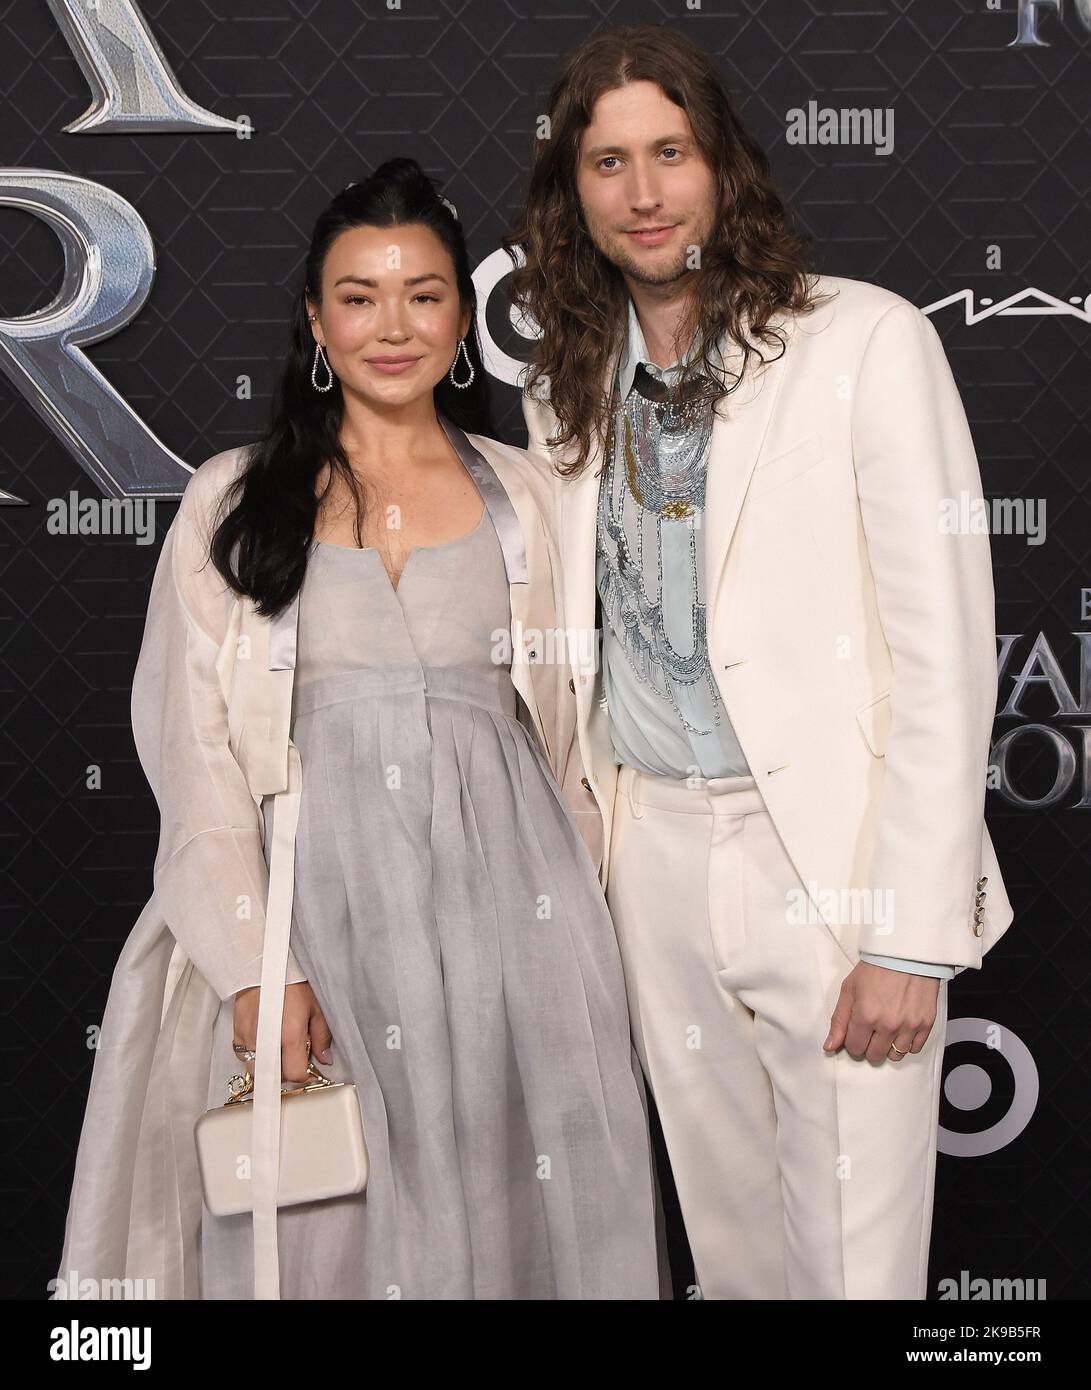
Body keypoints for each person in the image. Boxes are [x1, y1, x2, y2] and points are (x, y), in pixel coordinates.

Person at [52, 158, 661, 1301]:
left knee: (510, 1225)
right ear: (315, 321)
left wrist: (588, 953)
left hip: (509, 935)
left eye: (424, 294)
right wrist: (252, 967)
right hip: (309, 923)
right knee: (323, 1232)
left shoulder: (530, 494)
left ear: (462, 318)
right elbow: (194, 755)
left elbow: (573, 748)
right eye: (360, 295)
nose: (395, 325)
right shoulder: (234, 499)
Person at [507, 24, 1014, 1299]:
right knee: (732, 1264)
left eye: (667, 151)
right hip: (654, 869)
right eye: (607, 160)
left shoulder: (863, 343)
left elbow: (944, 653)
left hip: (829, 863)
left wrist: (907, 933)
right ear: (572, 194)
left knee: (853, 1271)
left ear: (720, 163)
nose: (641, 191)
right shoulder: (563, 391)